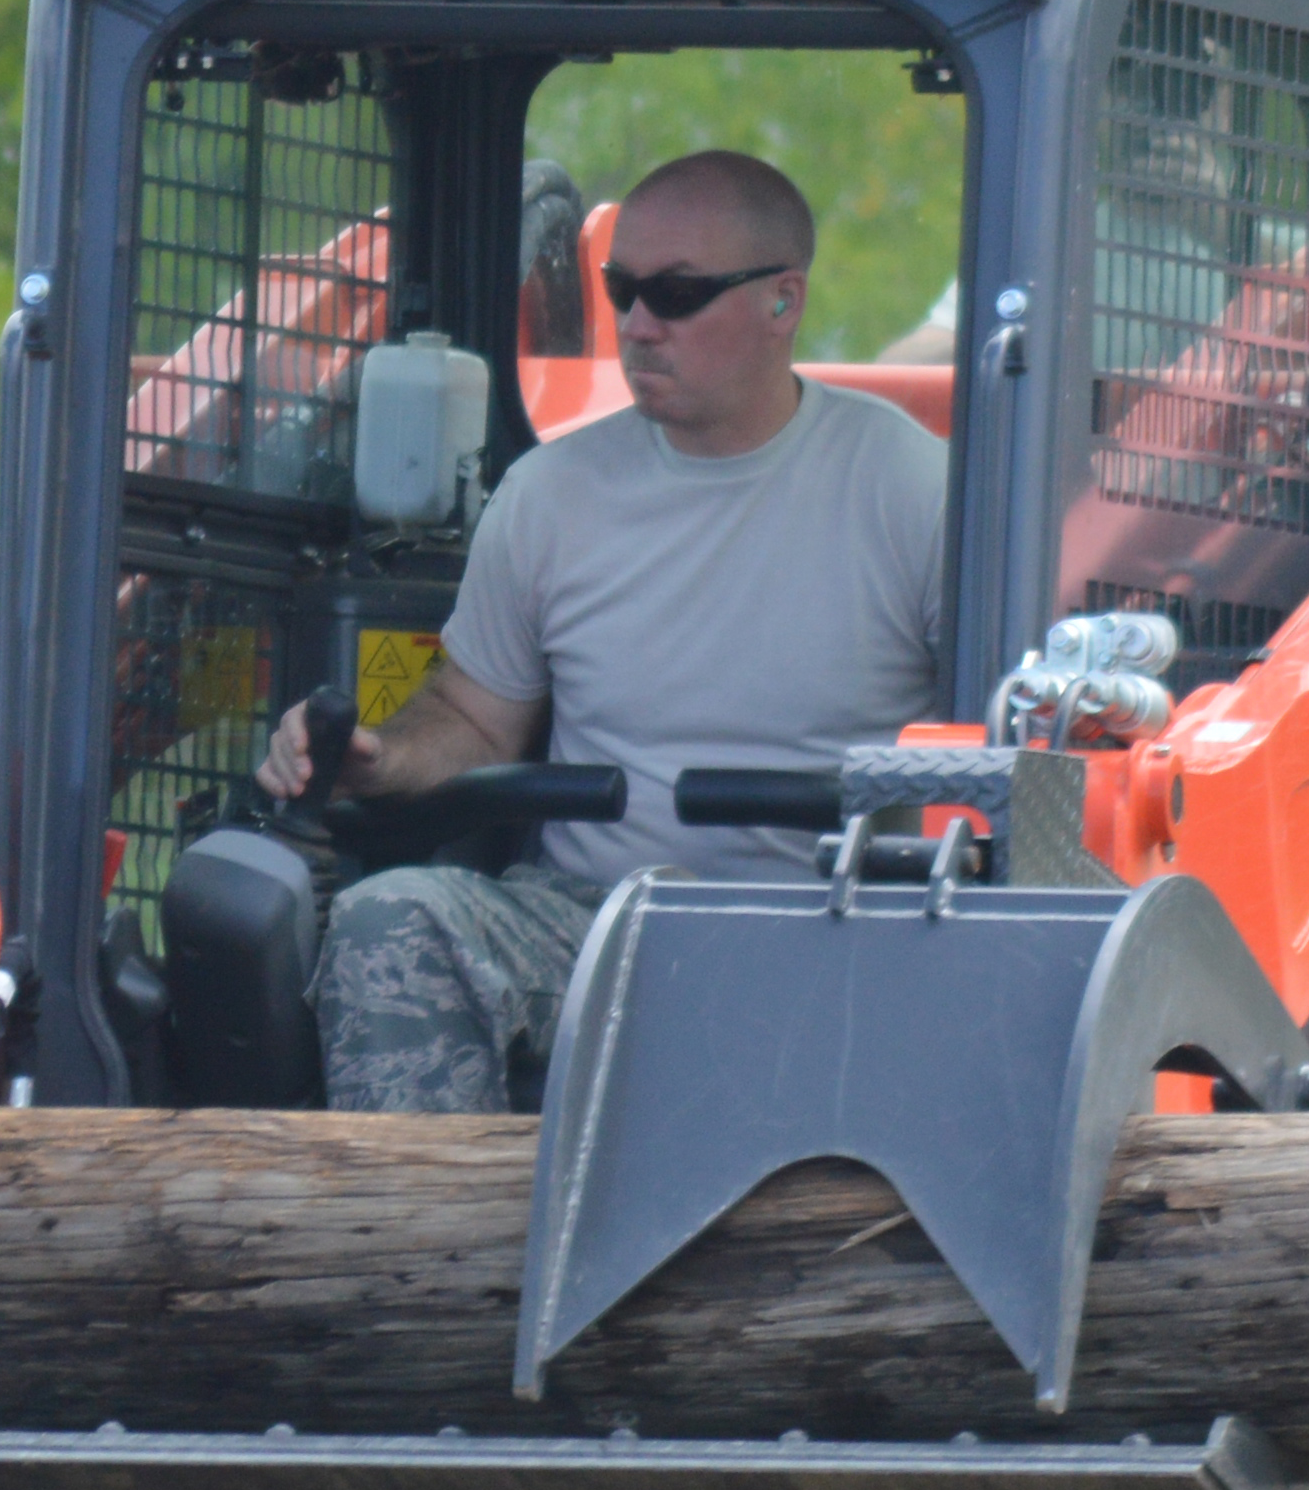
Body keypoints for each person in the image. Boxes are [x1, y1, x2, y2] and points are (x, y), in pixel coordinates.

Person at [256, 146, 948, 1110]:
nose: (636, 326)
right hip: (589, 921)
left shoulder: (911, 491)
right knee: (388, 922)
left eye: (675, 293)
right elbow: (475, 715)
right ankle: (427, 1246)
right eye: (623, 289)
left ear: (783, 302)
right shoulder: (550, 496)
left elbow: (999, 750)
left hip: (830, 928)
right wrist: (377, 755)